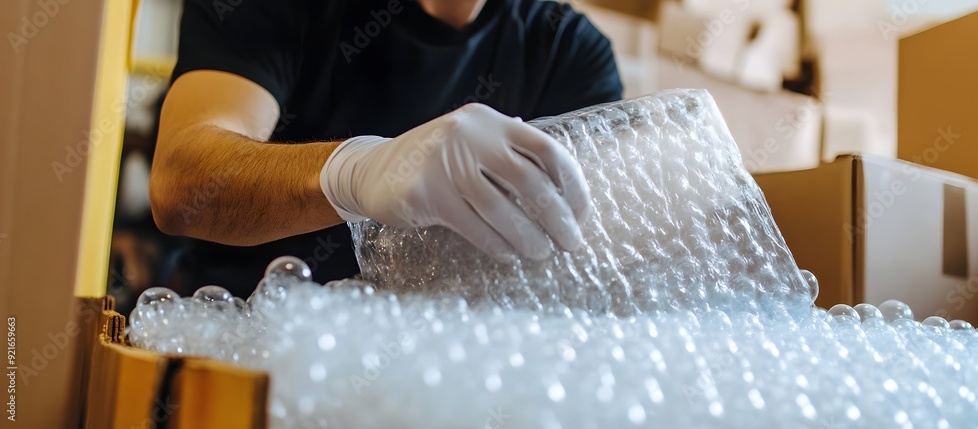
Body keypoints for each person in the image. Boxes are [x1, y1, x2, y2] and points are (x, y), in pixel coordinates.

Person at [150, 0, 624, 297]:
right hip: (243, 351)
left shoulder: (568, 50)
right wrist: (352, 173)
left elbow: (586, 249)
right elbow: (181, 182)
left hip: (438, 377)